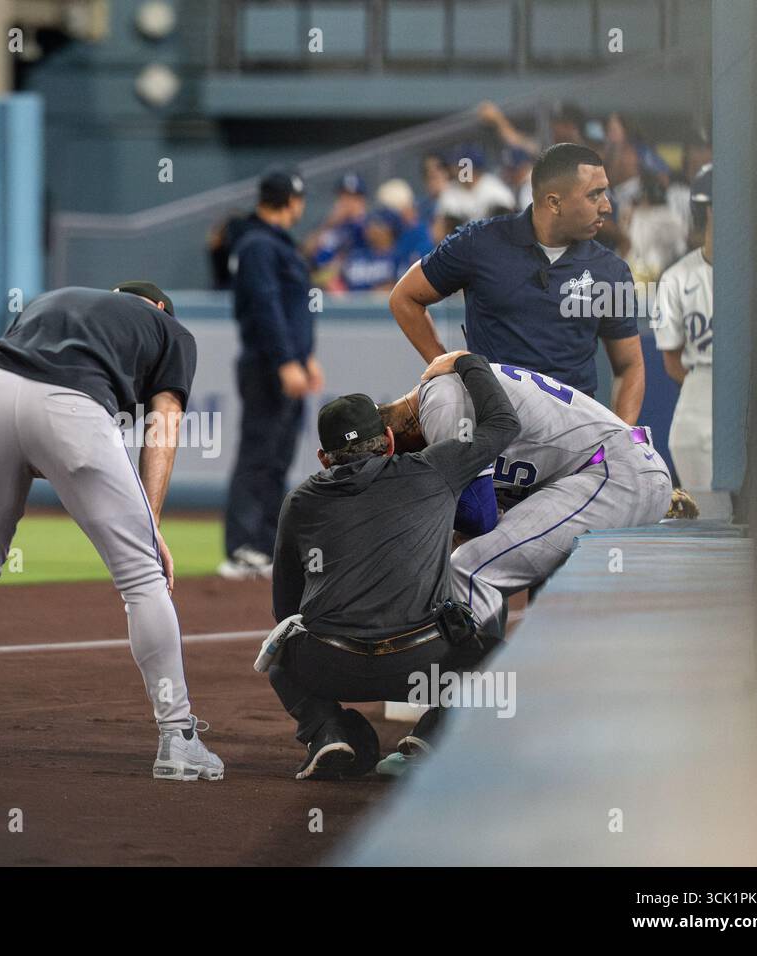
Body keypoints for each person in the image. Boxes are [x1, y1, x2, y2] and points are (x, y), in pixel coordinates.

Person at [0, 282, 224, 781]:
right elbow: (164, 422)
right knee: (141, 578)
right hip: (71, 404)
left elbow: (18, 401)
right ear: (158, 308)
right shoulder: (170, 328)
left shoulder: (53, 298)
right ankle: (178, 738)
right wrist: (150, 528)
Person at [266, 352, 519, 779]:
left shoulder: (301, 501)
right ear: (388, 438)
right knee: (495, 658)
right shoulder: (434, 469)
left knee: (281, 658)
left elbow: (285, 606)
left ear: (324, 457)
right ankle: (434, 732)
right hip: (422, 664)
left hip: (331, 665)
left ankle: (327, 732)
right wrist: (467, 362)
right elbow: (504, 424)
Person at [378, 360, 672, 645]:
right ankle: (489, 677)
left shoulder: (441, 403)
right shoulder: (441, 402)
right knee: (476, 559)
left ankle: (478, 688)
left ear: (389, 442)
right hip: (605, 473)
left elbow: (479, 517)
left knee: (470, 568)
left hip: (614, 473)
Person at [390, 142, 646, 424]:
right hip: (493, 430)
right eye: (594, 195)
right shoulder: (478, 243)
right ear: (554, 202)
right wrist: (451, 372)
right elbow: (404, 297)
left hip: (573, 437)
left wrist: (622, 438)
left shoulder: (612, 270)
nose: (607, 206)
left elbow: (629, 365)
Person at [219, 169, 323, 579]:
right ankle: (242, 546)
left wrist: (305, 356)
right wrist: (285, 360)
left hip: (283, 362)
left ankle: (264, 545)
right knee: (259, 453)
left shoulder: (272, 244)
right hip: (267, 365)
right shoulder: (259, 244)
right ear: (291, 201)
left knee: (277, 457)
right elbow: (266, 307)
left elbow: (289, 308)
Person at [654, 165, 714, 488]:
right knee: (711, 518)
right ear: (709, 208)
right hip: (699, 394)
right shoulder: (677, 277)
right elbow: (672, 361)